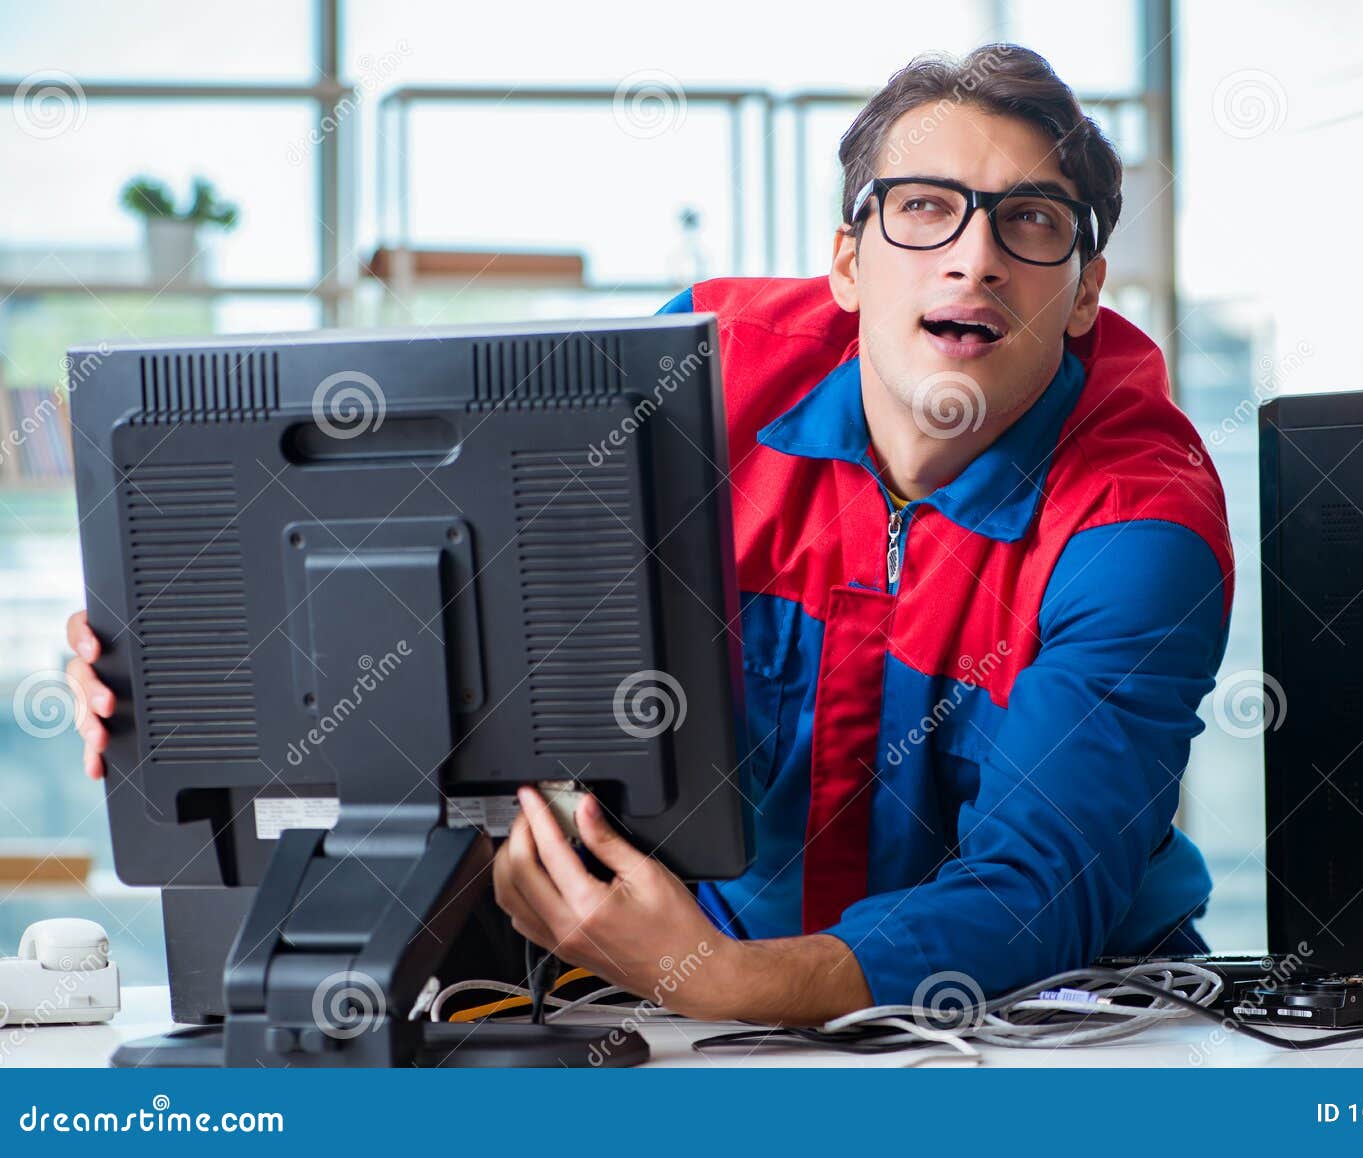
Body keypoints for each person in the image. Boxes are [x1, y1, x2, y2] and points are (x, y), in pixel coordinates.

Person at [65, 44, 1232, 1026]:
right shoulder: (685, 391)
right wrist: (181, 657)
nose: (973, 257)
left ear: (1083, 295)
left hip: (1048, 1021)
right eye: (925, 208)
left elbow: (1035, 887)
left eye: (1031, 223)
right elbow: (442, 579)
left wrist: (725, 978)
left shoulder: (1139, 524)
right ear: (846, 261)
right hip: (677, 998)